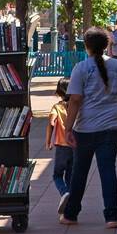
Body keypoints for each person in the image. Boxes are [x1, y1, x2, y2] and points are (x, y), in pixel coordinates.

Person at [60, 29, 117, 229]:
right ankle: (112, 216)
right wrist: (114, 102)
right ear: (106, 45)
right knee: (108, 170)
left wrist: (68, 128)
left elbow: (75, 100)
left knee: (79, 172)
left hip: (85, 128)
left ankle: (71, 214)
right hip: (111, 127)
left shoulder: (81, 68)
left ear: (87, 46)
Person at [45, 78, 73, 214]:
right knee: (70, 175)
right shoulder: (76, 105)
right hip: (75, 146)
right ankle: (70, 202)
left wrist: (48, 141)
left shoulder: (57, 107)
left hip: (62, 146)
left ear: (59, 92)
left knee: (57, 175)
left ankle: (64, 192)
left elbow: (51, 122)